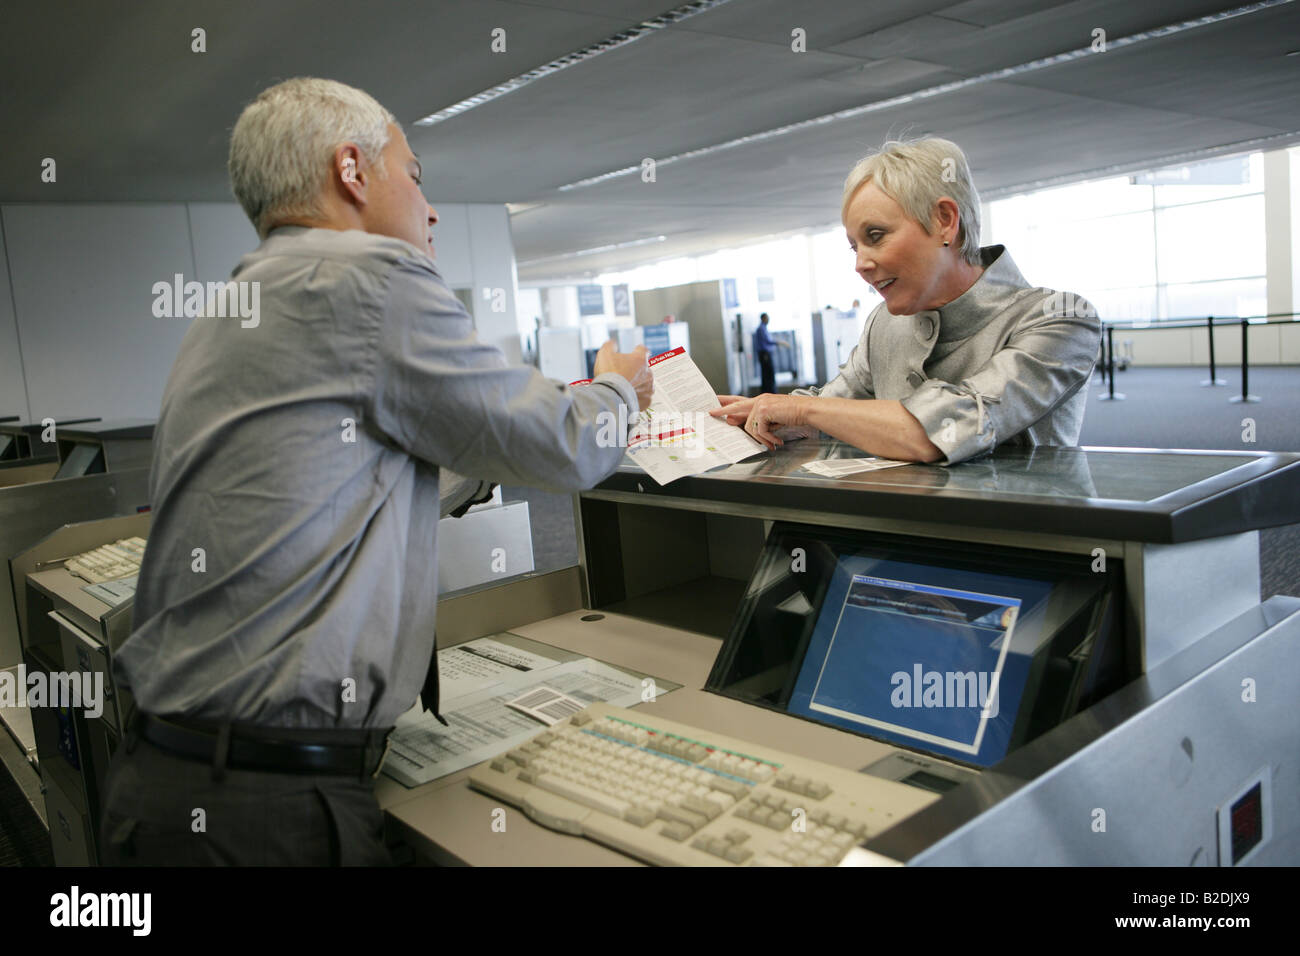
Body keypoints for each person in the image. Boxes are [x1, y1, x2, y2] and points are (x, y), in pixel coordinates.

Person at [99, 77, 652, 866]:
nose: (429, 210)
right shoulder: (368, 278)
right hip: (270, 807)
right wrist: (617, 386)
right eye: (415, 175)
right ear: (352, 172)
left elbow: (342, 474)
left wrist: (482, 443)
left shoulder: (246, 296)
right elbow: (561, 444)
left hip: (175, 779)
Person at [713, 138, 1099, 465]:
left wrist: (801, 410)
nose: (861, 264)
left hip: (1015, 544)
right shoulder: (885, 323)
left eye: (876, 235)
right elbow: (831, 407)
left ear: (945, 221)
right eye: (855, 247)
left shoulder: (1058, 320)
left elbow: (948, 427)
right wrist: (764, 412)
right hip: (898, 535)